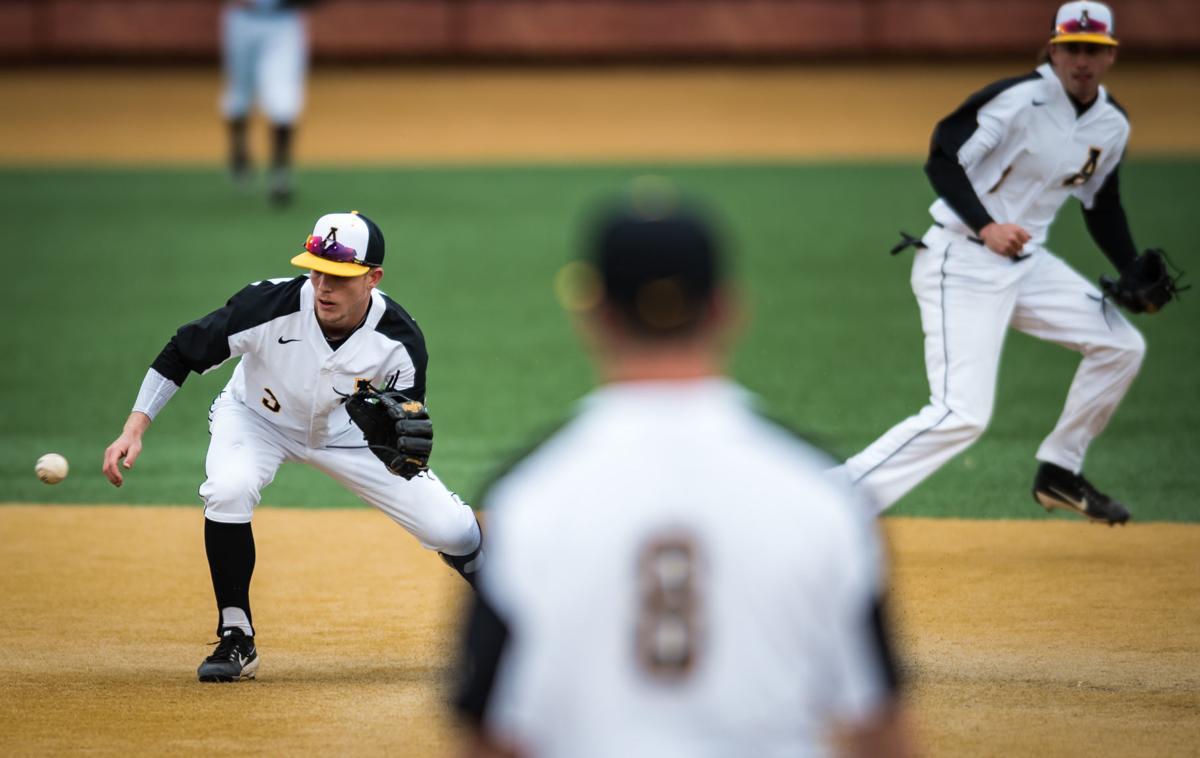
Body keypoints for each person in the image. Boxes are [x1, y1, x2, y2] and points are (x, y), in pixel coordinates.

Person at [453, 186, 912, 758]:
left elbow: (492, 734)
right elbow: (878, 729)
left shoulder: (525, 496)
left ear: (594, 314)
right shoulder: (820, 493)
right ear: (727, 309)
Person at [102, 211, 483, 683]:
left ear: (372, 278)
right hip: (256, 418)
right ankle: (236, 636)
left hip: (348, 436)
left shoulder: (400, 340)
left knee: (453, 531)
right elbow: (182, 350)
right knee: (229, 488)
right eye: (317, 270)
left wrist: (396, 443)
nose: (324, 286)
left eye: (340, 276)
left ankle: (513, 619)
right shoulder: (267, 305)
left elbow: (405, 418)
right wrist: (133, 428)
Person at [837, 1, 1152, 525]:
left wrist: (1130, 266)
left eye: (1094, 50)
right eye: (1073, 48)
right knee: (960, 413)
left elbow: (1102, 202)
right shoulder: (1018, 101)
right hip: (961, 259)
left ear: (1111, 56)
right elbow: (942, 157)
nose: (1082, 60)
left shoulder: (1110, 123)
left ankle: (1059, 471)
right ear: (1053, 49)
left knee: (1121, 345)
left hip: (1026, 265)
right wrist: (986, 225)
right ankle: (834, 498)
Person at [221, 0, 315, 207]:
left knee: (284, 100)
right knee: (239, 93)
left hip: (283, 21)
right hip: (241, 18)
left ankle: (280, 174)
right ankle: (239, 150)